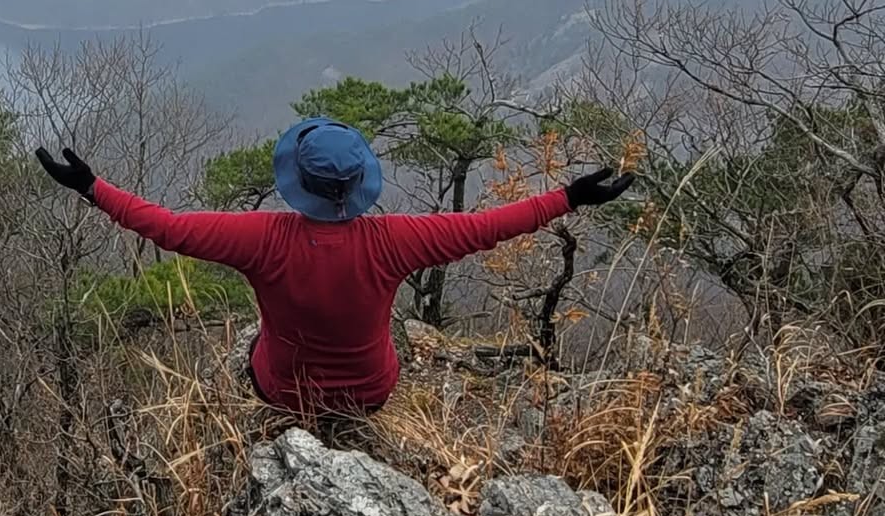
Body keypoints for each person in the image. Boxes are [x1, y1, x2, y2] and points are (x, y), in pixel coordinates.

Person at [36, 117, 633, 413]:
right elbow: (486, 228)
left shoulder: (261, 239)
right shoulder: (395, 242)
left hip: (284, 394)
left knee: (252, 348)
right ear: (358, 184)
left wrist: (90, 186)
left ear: (297, 181)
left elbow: (167, 227)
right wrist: (569, 197)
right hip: (373, 393)